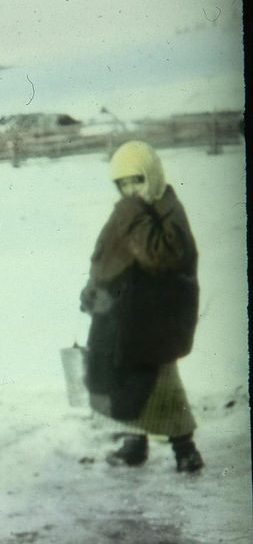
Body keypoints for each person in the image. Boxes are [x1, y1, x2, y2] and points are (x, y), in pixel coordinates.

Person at [79, 140, 204, 472]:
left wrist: (132, 215)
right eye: (123, 184)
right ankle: (135, 443)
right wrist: (93, 289)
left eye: (137, 180)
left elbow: (162, 256)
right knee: (127, 382)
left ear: (152, 175)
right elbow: (106, 255)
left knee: (162, 383)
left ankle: (185, 448)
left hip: (154, 319)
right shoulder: (130, 210)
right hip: (125, 315)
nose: (132, 190)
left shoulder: (166, 208)